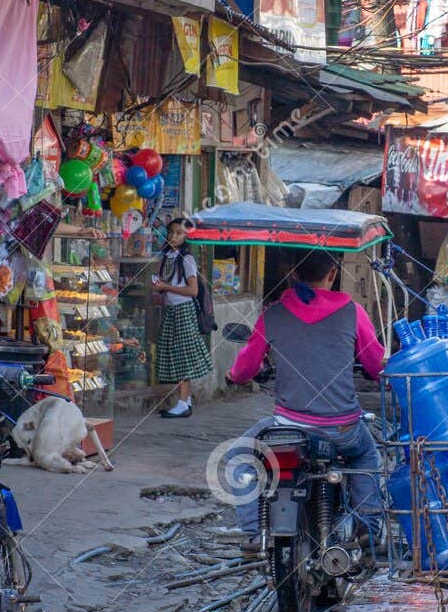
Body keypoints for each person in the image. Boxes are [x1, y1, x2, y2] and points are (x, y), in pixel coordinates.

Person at [226, 250, 385, 556]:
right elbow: (376, 366)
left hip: (288, 428)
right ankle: (369, 527)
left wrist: (232, 375)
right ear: (332, 275)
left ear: (294, 275)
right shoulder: (353, 311)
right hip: (343, 428)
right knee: (366, 457)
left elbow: (244, 370)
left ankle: (250, 532)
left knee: (239, 454)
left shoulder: (272, 314)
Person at [152, 216, 212, 419]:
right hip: (171, 309)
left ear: (187, 236)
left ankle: (182, 403)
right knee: (173, 354)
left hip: (183, 310)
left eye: (179, 233)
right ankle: (185, 401)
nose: (173, 236)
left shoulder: (187, 259)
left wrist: (166, 287)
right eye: (171, 232)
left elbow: (193, 290)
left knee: (182, 357)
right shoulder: (168, 256)